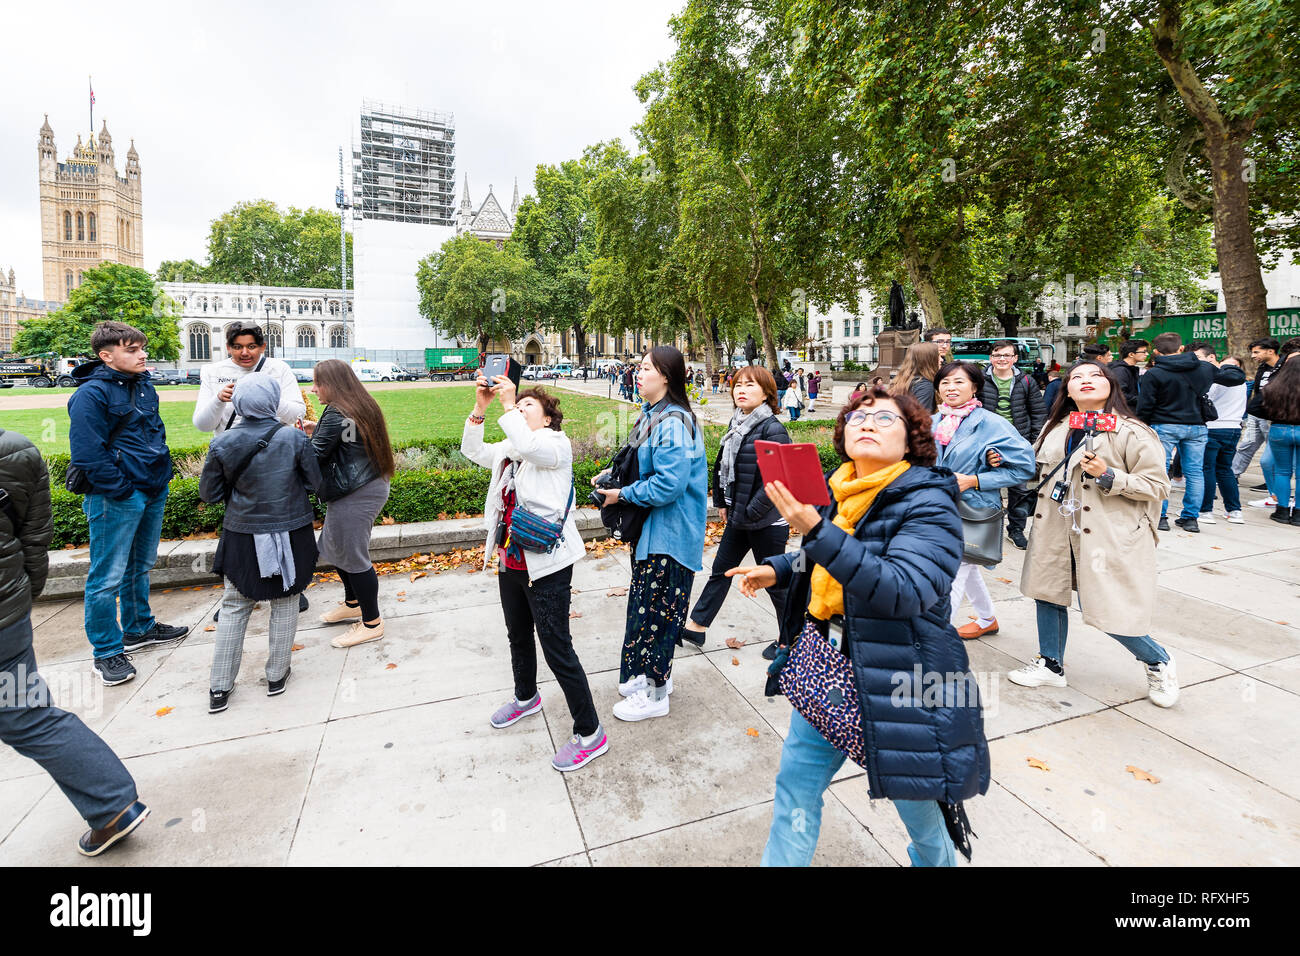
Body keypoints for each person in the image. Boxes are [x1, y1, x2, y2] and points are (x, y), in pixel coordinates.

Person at [727, 386, 989, 866]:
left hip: (899, 679)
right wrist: (779, 568)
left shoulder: (930, 501)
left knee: (920, 812)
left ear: (912, 440)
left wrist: (816, 531)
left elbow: (902, 589)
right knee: (796, 789)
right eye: (857, 418)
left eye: (885, 419)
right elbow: (825, 559)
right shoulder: (841, 487)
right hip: (826, 669)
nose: (867, 424)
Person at [0, 424, 150, 856]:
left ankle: (111, 802)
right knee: (27, 714)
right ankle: (111, 803)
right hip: (7, 610)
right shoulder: (18, 449)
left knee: (25, 715)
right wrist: (23, 594)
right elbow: (34, 539)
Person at [1012, 360, 1179, 707]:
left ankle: (1157, 660)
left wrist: (1108, 476)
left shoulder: (1132, 432)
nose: (1085, 381)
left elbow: (1157, 486)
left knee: (1106, 604)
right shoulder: (1056, 428)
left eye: (1095, 375)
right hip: (1056, 527)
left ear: (1111, 385)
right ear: (1067, 390)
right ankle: (1051, 664)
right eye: (1076, 377)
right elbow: (1039, 471)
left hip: (1106, 533)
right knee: (1048, 593)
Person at [462, 376, 607, 771]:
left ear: (546, 420)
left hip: (547, 564)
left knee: (556, 645)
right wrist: (480, 407)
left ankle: (591, 732)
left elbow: (529, 445)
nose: (520, 409)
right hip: (512, 558)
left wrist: (509, 402)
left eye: (529, 407)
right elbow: (472, 450)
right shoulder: (513, 448)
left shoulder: (554, 447)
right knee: (517, 635)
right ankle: (526, 697)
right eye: (518, 405)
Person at [68, 322, 189, 686]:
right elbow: (88, 453)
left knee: (140, 565)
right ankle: (106, 652)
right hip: (117, 496)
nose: (143, 355)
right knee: (105, 578)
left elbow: (153, 434)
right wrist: (122, 490)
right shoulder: (91, 395)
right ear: (107, 355)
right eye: (132, 350)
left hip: (152, 490)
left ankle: (138, 628)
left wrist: (159, 478)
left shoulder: (144, 385)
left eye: (142, 348)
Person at [592, 346, 707, 721]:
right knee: (648, 613)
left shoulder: (673, 422)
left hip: (669, 537)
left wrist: (622, 494)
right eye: (638, 368)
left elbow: (668, 485)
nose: (637, 374)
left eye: (645, 368)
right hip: (654, 535)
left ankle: (656, 696)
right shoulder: (654, 415)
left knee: (658, 616)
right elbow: (642, 466)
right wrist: (612, 478)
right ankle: (650, 679)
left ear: (667, 377)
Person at [199, 374, 322, 713]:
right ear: (272, 401)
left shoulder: (221, 443)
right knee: (285, 601)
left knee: (234, 605)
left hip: (242, 533)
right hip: (291, 529)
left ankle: (219, 686)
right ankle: (276, 676)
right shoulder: (293, 439)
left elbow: (209, 494)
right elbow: (315, 483)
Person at [193, 323, 310, 621]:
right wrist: (220, 399)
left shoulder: (277, 369)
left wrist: (261, 394)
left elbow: (297, 412)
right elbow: (203, 425)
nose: (245, 353)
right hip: (234, 459)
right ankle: (237, 591)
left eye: (251, 346)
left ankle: (288, 585)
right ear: (228, 347)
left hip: (275, 455)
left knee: (281, 523)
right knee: (237, 530)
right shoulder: (213, 371)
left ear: (262, 347)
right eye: (237, 346)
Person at [681, 366, 791, 658]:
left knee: (774, 583)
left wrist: (748, 513)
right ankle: (697, 626)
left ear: (768, 393)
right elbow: (722, 467)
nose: (741, 389)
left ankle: (790, 639)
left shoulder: (773, 429)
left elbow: (775, 482)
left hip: (767, 522)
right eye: (737, 384)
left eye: (750, 385)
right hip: (739, 517)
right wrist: (722, 502)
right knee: (721, 571)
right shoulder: (738, 423)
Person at [931, 361, 1036, 639]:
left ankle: (935, 640)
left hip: (972, 510)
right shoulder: (934, 422)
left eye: (959, 382)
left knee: (953, 571)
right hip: (936, 511)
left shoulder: (992, 424)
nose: (951, 388)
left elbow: (1025, 467)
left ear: (975, 387)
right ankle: (987, 618)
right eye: (945, 383)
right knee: (968, 563)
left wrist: (976, 479)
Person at [306, 359, 396, 648]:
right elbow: (346, 440)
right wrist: (315, 431)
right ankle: (353, 602)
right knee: (334, 547)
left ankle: (372, 623)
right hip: (365, 485)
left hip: (356, 491)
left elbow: (313, 456)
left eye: (317, 383)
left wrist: (293, 438)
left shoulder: (336, 412)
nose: (314, 388)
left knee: (353, 555)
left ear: (331, 384)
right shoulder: (358, 403)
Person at [1137, 332, 1241, 533]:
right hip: (1196, 425)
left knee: (1160, 470)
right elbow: (1235, 378)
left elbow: (1145, 405)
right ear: (1182, 348)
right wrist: (1222, 364)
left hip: (1164, 424)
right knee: (1194, 473)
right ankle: (1190, 518)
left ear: (1156, 351)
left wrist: (1143, 425)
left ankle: (1161, 516)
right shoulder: (1203, 368)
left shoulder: (1153, 374)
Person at [980, 340, 1047, 549]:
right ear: (991, 358)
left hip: (1018, 442)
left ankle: (1016, 529)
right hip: (986, 442)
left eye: (1007, 355)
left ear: (1014, 359)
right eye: (998, 355)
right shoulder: (980, 380)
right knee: (984, 486)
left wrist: (1034, 441)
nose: (1002, 359)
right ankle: (985, 530)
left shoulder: (1026, 381)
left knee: (1019, 489)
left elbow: (1037, 412)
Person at [1192, 349, 1248, 525]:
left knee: (1207, 469)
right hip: (1233, 428)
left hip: (1214, 428)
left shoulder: (1215, 380)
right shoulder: (1241, 382)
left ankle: (1206, 511)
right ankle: (1234, 510)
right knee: (1225, 470)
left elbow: (1204, 398)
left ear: (1212, 358)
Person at [1252, 354, 1300, 525]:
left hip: (1280, 428)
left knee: (1282, 472)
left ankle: (1282, 510)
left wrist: (1272, 413)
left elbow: (1253, 407)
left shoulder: (1274, 386)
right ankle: (1298, 514)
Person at [1235, 337, 1281, 500]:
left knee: (1272, 454)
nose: (1253, 356)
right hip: (1256, 415)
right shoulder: (1263, 367)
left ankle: (1273, 487)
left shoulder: (1284, 367)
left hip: (1271, 419)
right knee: (1247, 445)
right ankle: (1233, 474)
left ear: (1270, 351)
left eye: (1257, 352)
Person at [891, 341, 941, 413]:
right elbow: (921, 419)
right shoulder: (925, 386)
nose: (941, 360)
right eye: (938, 356)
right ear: (929, 360)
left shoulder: (903, 380)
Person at [1108, 338, 1149, 409]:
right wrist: (1143, 400)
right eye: (1144, 352)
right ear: (1131, 354)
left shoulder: (1131, 368)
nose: (1147, 354)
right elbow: (1120, 395)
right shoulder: (1120, 370)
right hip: (1125, 412)